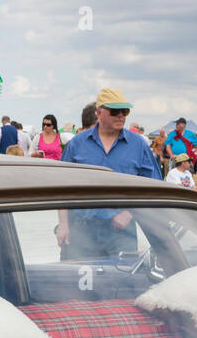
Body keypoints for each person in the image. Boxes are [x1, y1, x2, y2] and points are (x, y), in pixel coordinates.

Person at [58, 88, 161, 258]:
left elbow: (153, 186)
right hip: (82, 229)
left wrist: (130, 213)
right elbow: (62, 187)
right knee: (76, 280)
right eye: (115, 111)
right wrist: (63, 224)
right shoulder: (76, 144)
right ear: (99, 113)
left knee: (123, 282)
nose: (121, 115)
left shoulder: (139, 145)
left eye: (125, 111)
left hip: (121, 232)